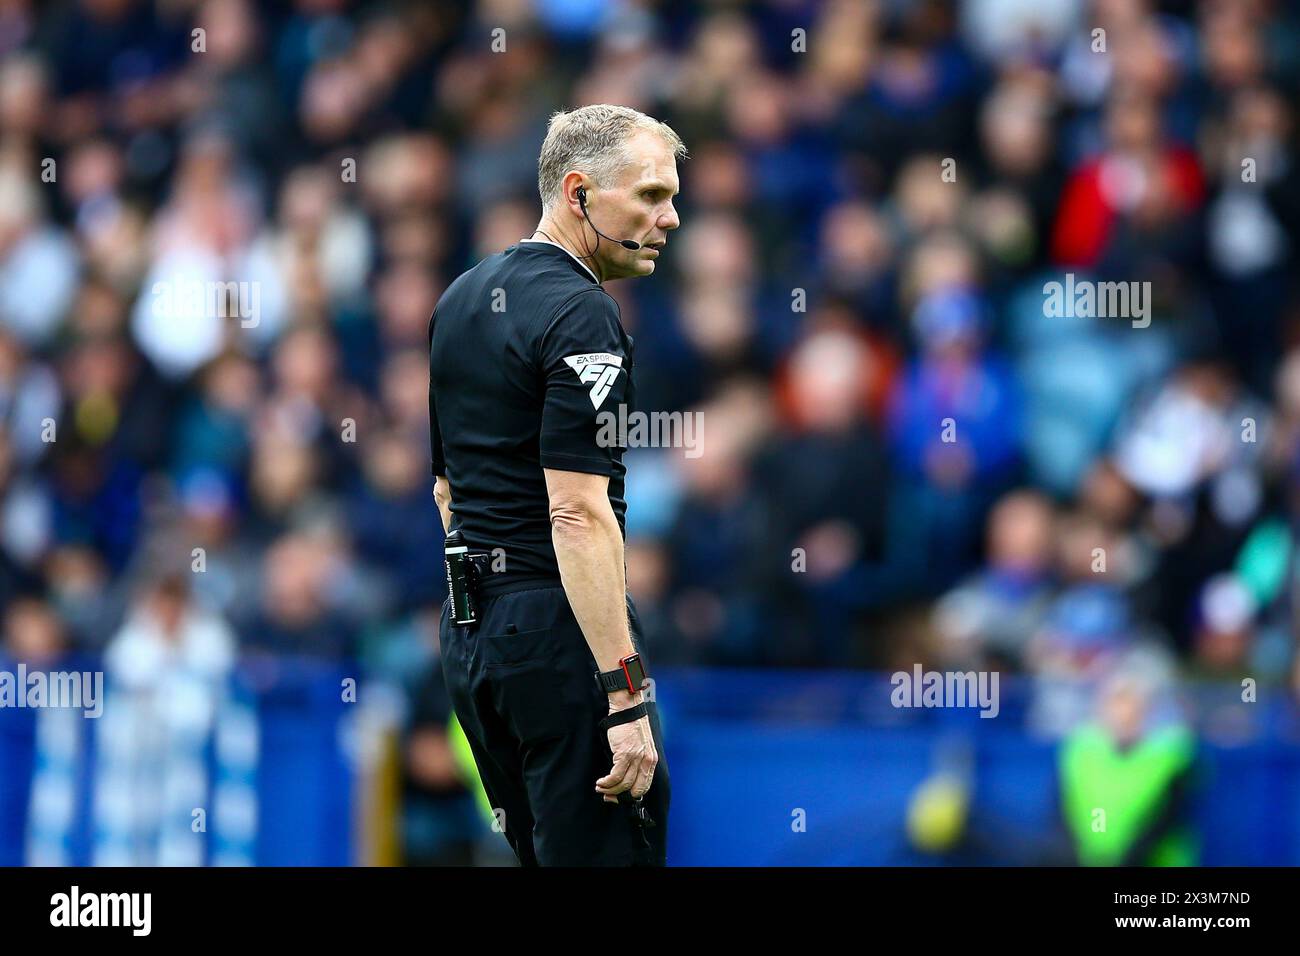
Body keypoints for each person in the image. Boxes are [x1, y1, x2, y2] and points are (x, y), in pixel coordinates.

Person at [427, 104, 685, 865]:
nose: (669, 218)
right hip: (560, 635)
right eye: (647, 196)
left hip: (472, 639)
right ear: (578, 193)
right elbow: (577, 513)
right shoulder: (582, 314)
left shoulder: (460, 298)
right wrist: (625, 691)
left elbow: (446, 491)